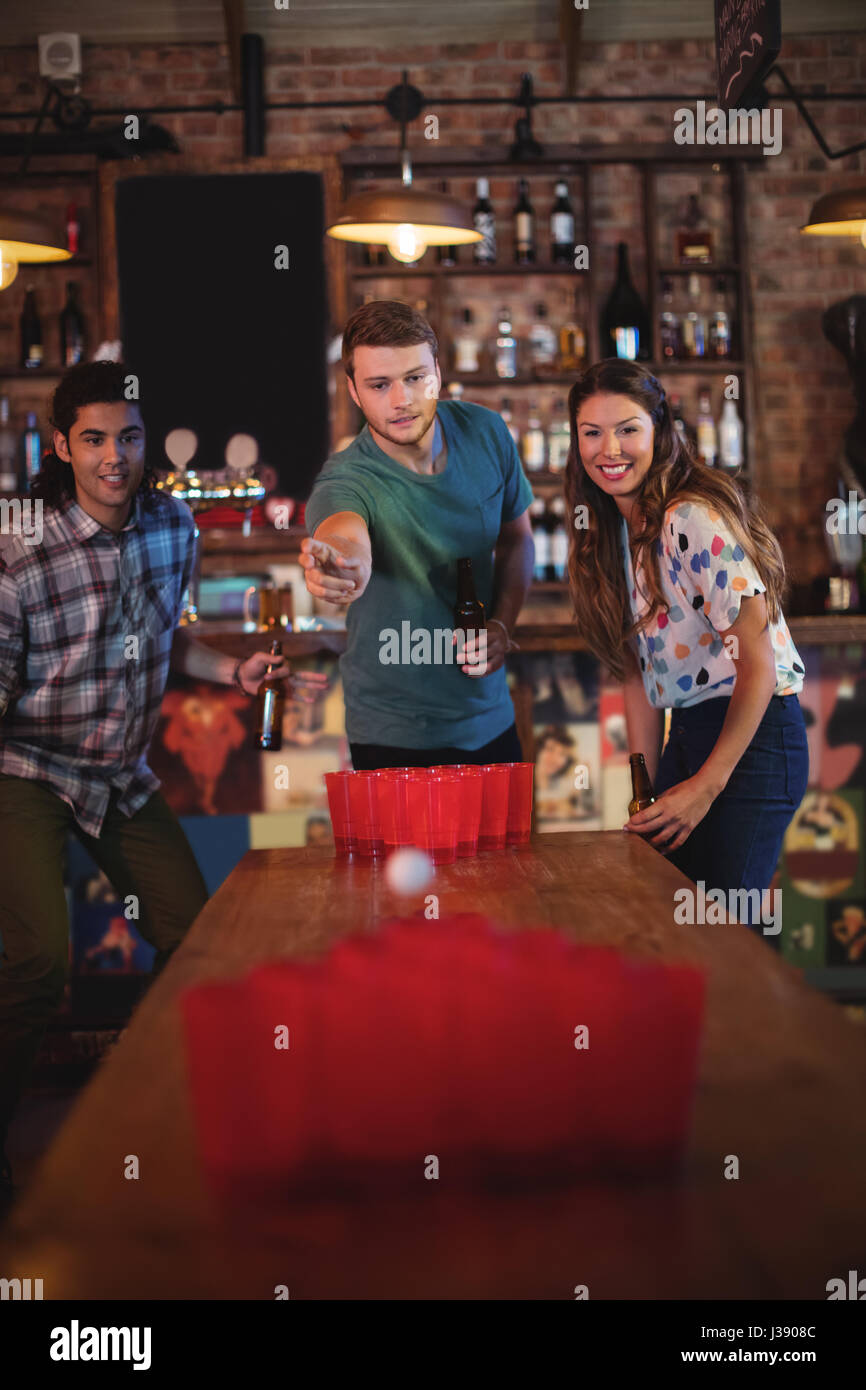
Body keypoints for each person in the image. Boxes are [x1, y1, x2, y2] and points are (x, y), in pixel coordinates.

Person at [0, 360, 325, 1213]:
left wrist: (235, 669)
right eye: (96, 439)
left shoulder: (173, 526)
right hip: (27, 769)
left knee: (195, 941)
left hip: (119, 772)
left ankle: (154, 1111)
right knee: (35, 958)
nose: (115, 456)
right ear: (63, 444)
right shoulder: (17, 544)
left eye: (130, 437)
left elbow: (163, 641)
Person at [564, 359, 809, 929]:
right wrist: (643, 788)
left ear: (659, 431)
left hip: (755, 736)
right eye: (591, 433)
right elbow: (636, 676)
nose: (609, 448)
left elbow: (759, 663)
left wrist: (707, 785)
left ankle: (761, 1021)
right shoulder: (614, 535)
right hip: (692, 732)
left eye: (628, 428)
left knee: (723, 933)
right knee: (677, 924)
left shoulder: (688, 518)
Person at [300, 300, 535, 768]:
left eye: (414, 378)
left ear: (438, 374)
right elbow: (344, 535)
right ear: (353, 391)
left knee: (506, 846)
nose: (401, 399)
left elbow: (517, 540)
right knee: (405, 848)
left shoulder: (485, 432)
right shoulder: (346, 479)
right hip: (393, 733)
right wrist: (341, 564)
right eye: (379, 384)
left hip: (490, 716)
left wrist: (503, 625)